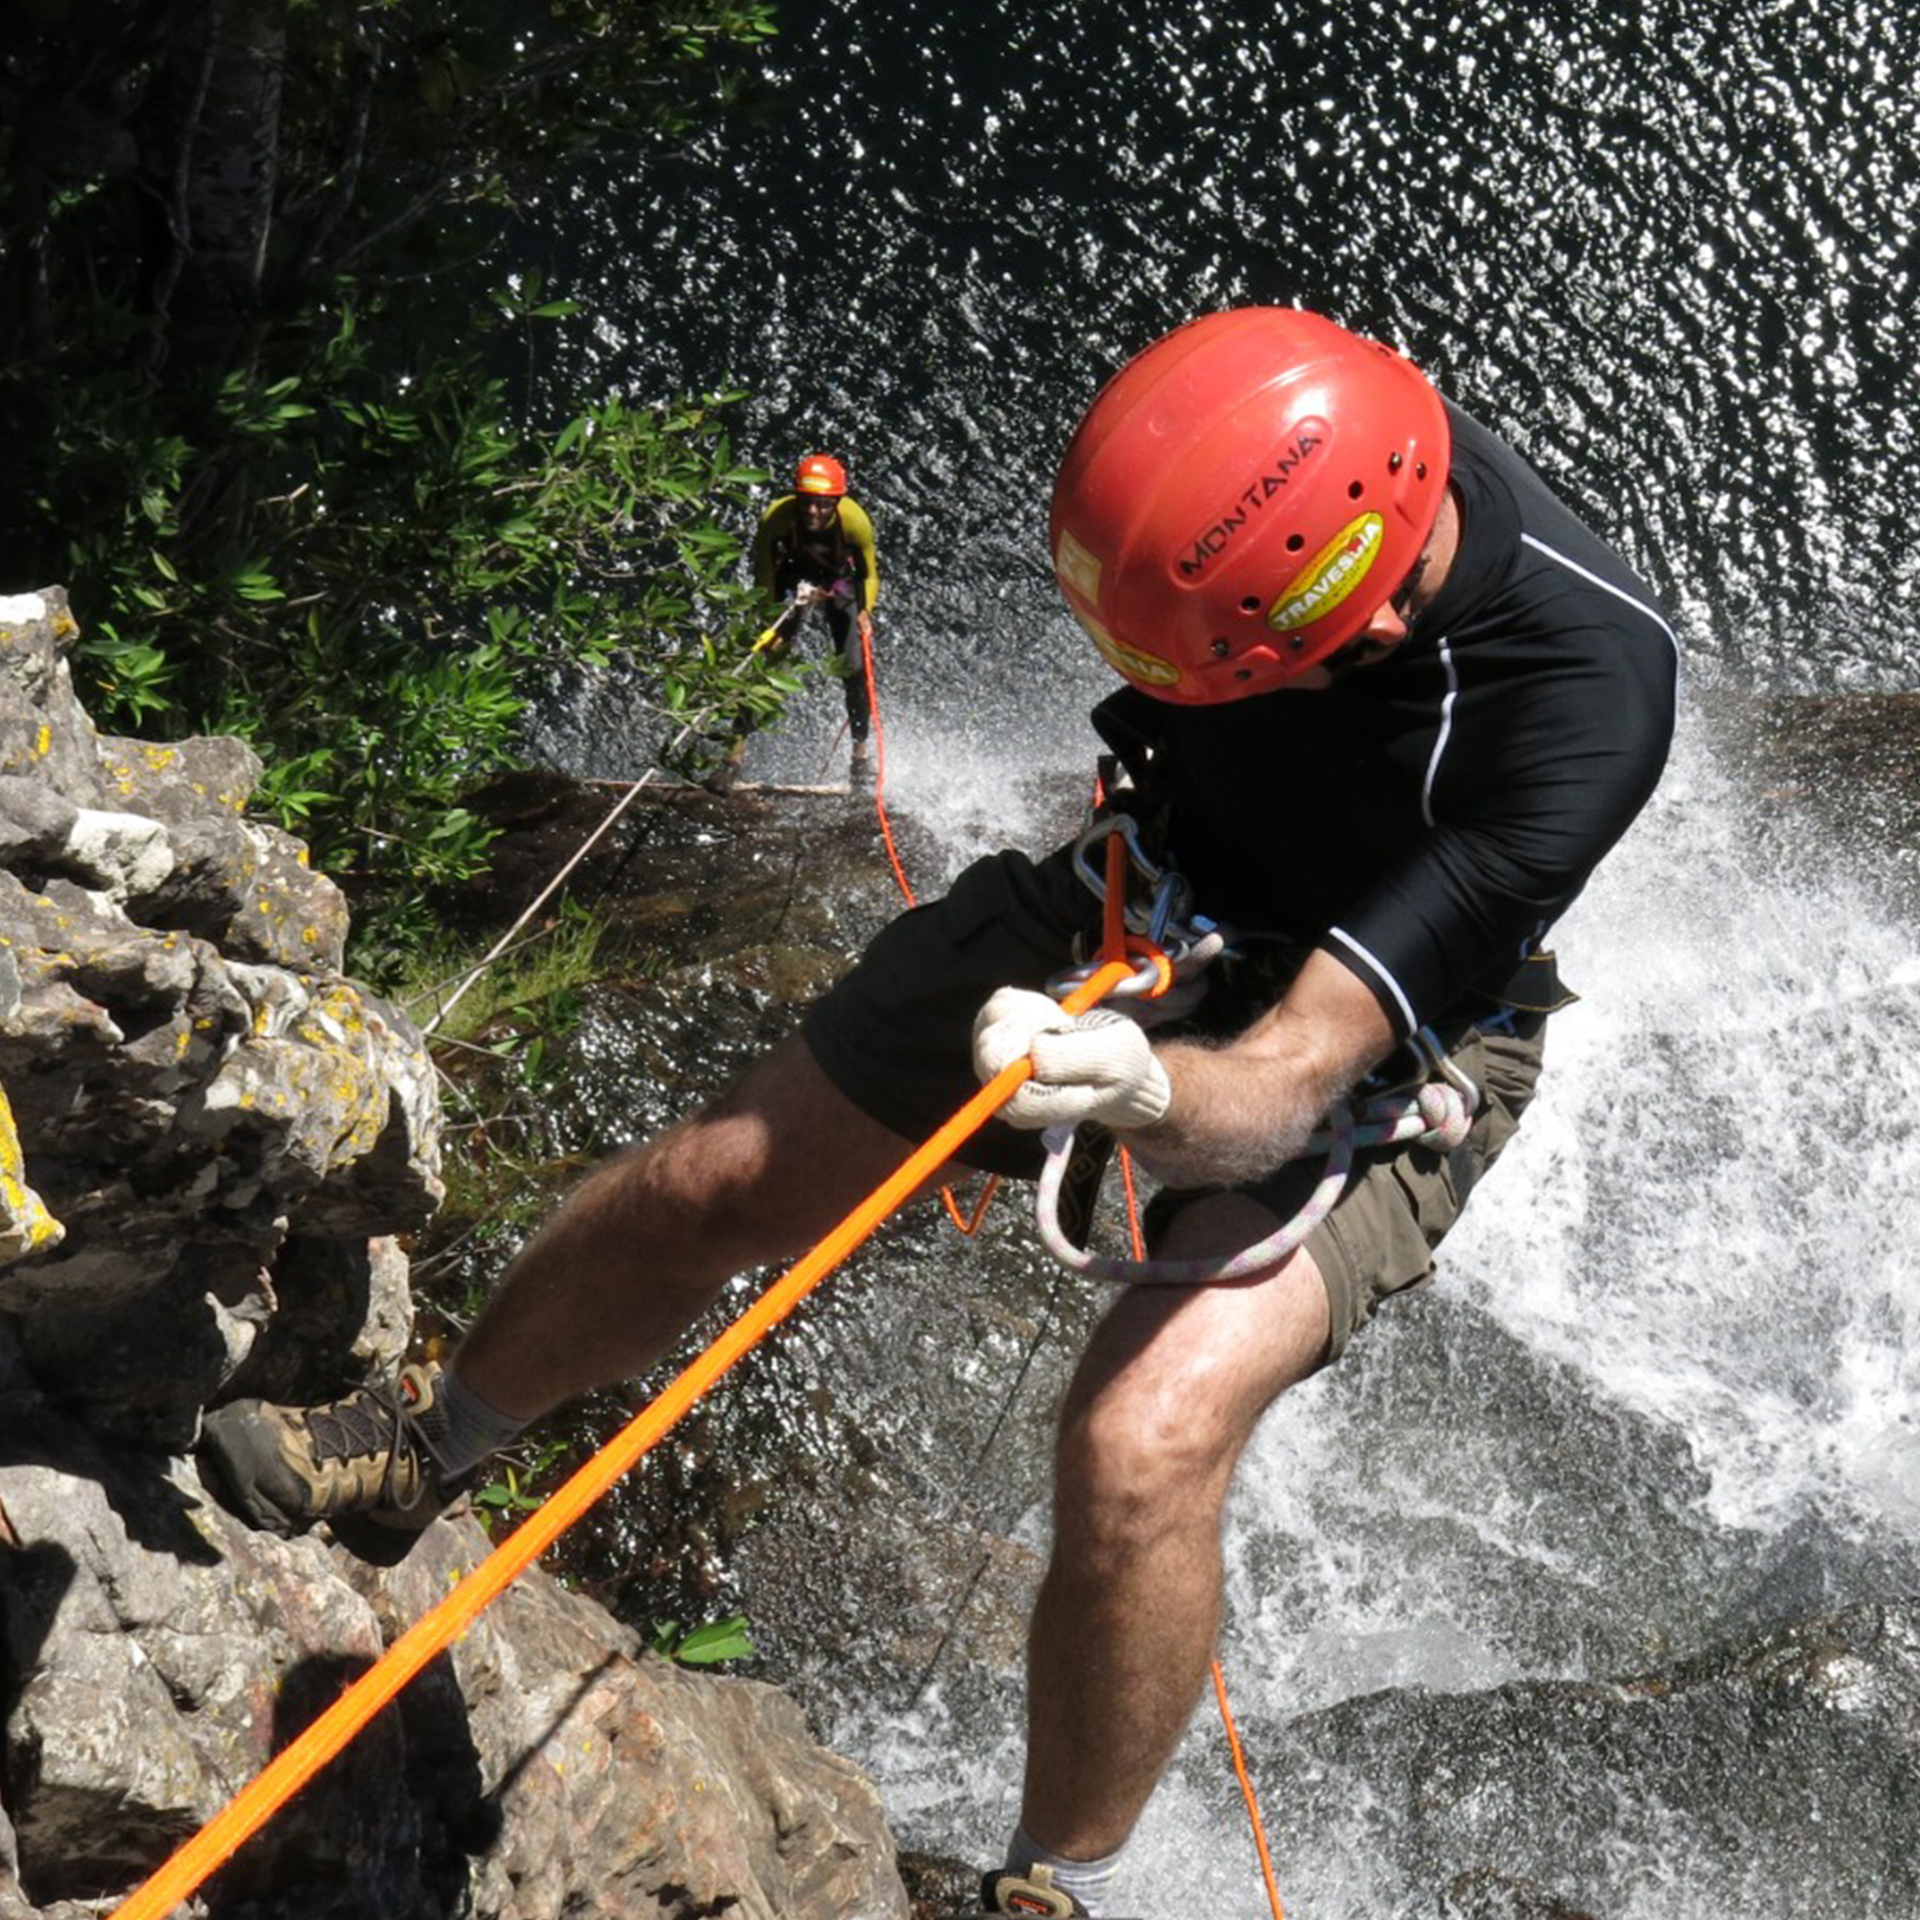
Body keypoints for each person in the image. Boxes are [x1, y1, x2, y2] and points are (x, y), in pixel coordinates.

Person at [202, 307, 1678, 1919]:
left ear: (1377, 591)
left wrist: (1137, 1087)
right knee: (720, 1179)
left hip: (1390, 1035)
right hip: (1151, 895)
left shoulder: (1575, 705)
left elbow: (1284, 1088)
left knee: (1142, 1437)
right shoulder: (1281, 429)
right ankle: (425, 1446)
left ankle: (1045, 1888)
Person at [707, 451, 881, 793]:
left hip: (838, 582)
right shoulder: (777, 517)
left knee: (855, 668)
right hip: (794, 579)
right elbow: (765, 572)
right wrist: (770, 620)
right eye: (806, 503)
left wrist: (865, 611)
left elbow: (870, 575)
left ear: (836, 502)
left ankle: (860, 758)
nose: (813, 512)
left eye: (823, 504)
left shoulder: (855, 520)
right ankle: (732, 759)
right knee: (764, 666)